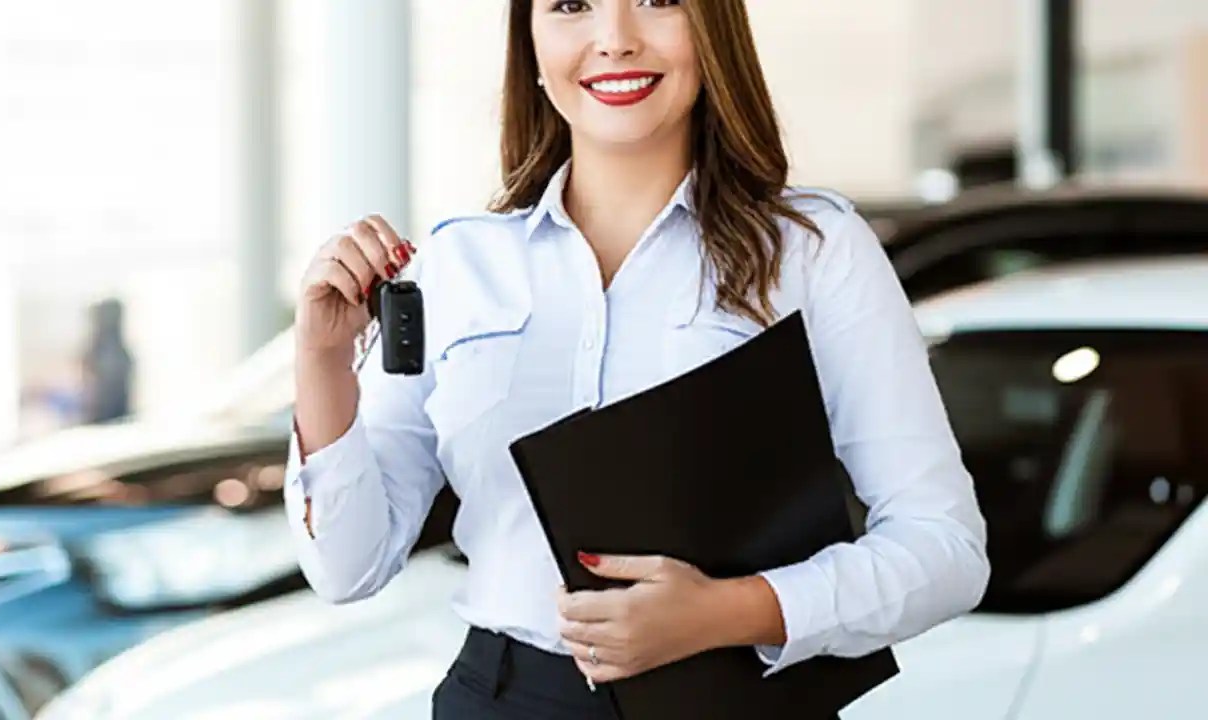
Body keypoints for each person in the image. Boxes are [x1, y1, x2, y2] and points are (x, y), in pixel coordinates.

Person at [286, 0, 990, 717]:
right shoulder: (457, 266)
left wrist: (730, 611)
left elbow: (946, 549)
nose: (615, 40)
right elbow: (348, 568)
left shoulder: (814, 252)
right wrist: (321, 360)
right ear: (528, 39)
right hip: (505, 698)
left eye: (657, 1)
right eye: (570, 6)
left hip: (736, 698)